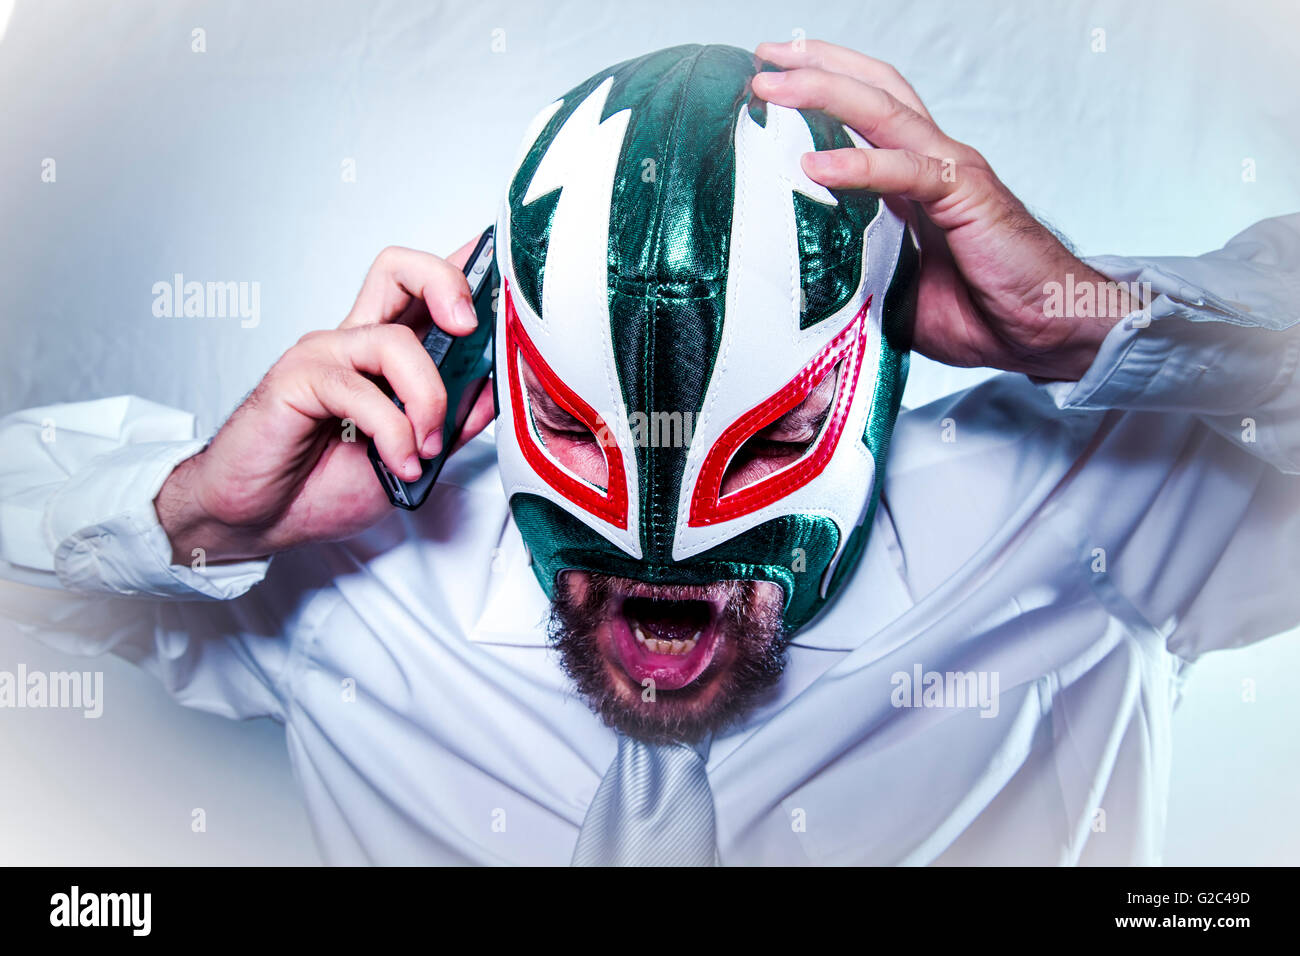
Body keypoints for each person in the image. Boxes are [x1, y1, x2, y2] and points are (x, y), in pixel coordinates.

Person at [1, 40, 1297, 866]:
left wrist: (1093, 324)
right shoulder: (344, 581)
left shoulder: (1094, 524)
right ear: (492, 366)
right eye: (570, 423)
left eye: (781, 432)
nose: (660, 537)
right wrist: (193, 520)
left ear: (881, 371)